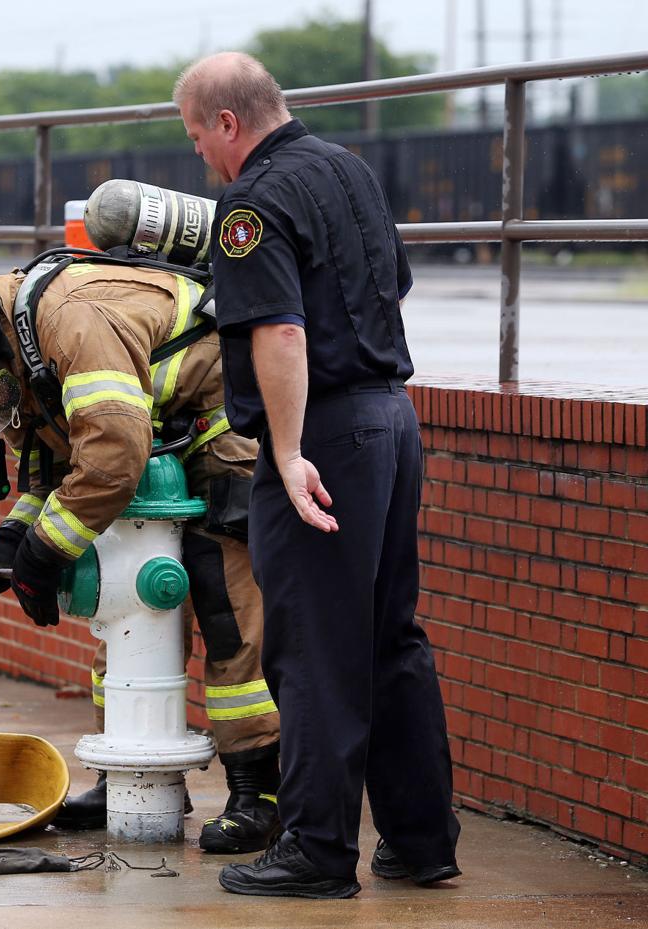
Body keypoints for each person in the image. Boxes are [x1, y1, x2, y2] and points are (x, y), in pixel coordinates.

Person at [173, 52, 461, 899]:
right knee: (389, 637)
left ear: (228, 122)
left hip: (325, 436)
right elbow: (392, 285)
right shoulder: (349, 170)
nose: (201, 156)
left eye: (197, 137)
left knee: (314, 650)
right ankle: (418, 839)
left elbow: (280, 333)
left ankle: (318, 850)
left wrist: (290, 454)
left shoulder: (251, 201)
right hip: (391, 421)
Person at [0, 256, 281, 854]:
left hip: (220, 428)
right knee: (126, 616)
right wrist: (11, 541)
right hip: (154, 440)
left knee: (227, 606)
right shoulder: (22, 351)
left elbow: (112, 458)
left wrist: (44, 554)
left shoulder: (74, 324)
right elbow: (57, 465)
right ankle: (129, 775)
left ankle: (260, 793)